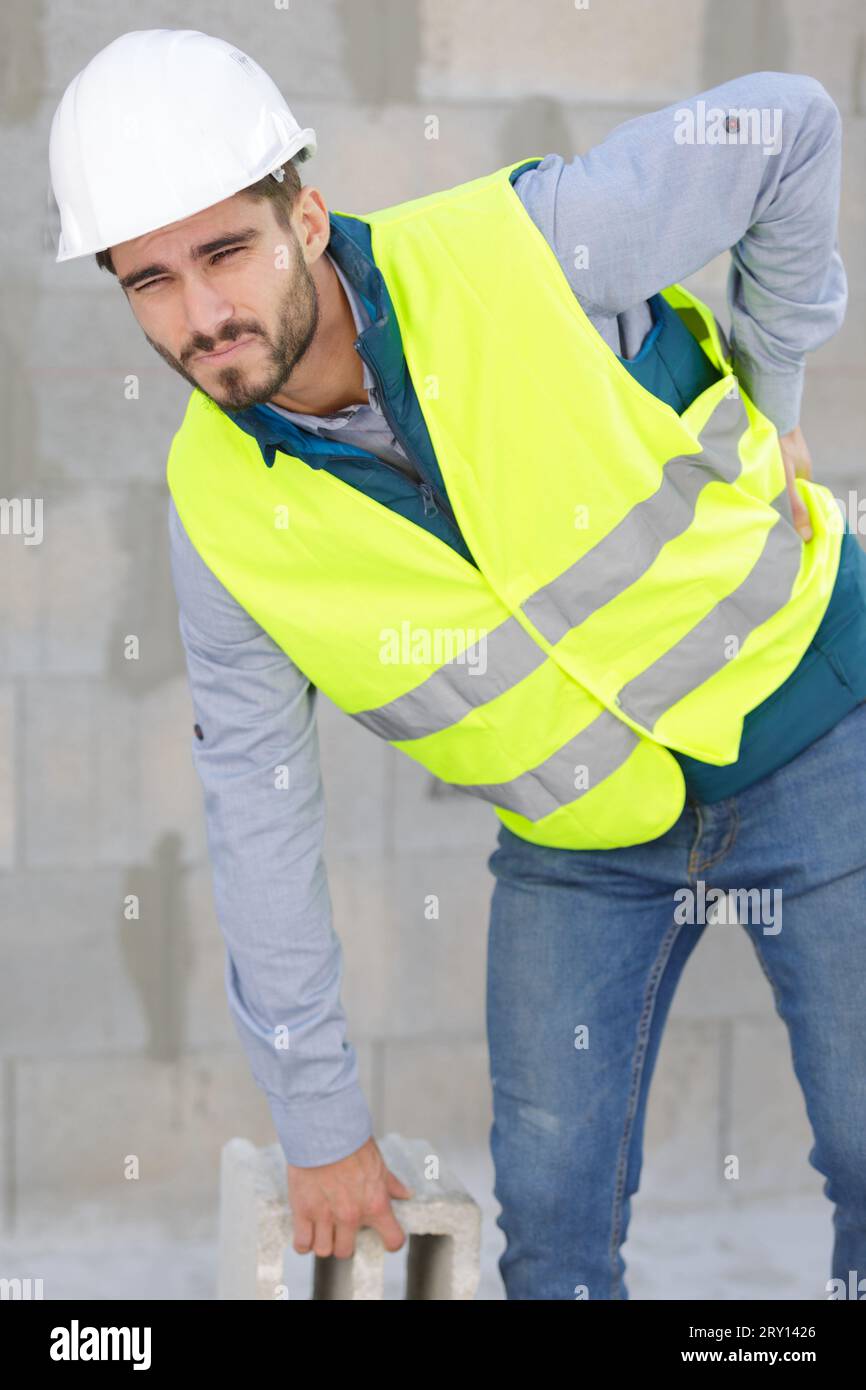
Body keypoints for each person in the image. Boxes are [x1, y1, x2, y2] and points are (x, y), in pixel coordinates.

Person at [50, 28, 865, 1299]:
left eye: (224, 251)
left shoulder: (531, 245)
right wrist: (318, 1123)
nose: (201, 316)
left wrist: (771, 393)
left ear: (306, 217)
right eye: (148, 279)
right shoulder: (215, 514)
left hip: (816, 734)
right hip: (582, 840)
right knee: (548, 1220)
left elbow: (789, 119)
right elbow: (258, 811)